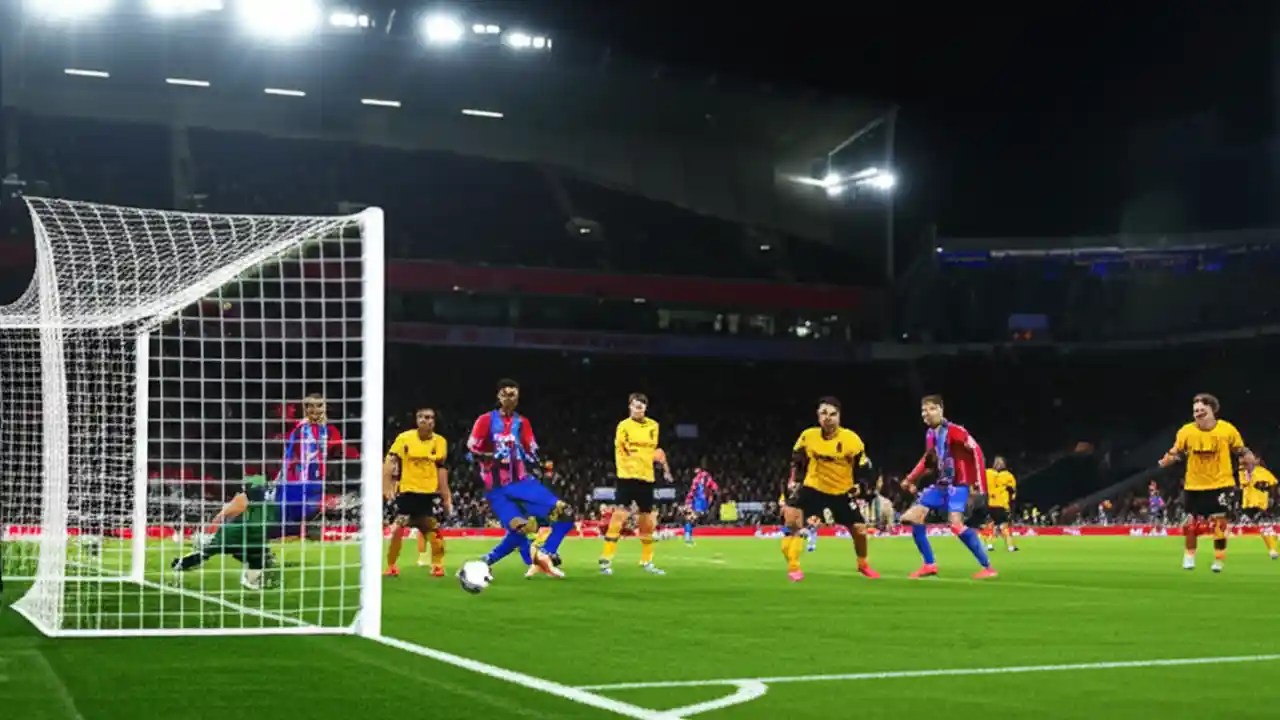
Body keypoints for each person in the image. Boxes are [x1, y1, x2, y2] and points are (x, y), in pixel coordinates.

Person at [468, 378, 573, 579]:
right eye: (505, 394)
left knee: (566, 513)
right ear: (498, 396)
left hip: (523, 482)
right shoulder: (485, 421)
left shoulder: (522, 423)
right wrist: (491, 456)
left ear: (518, 397)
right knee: (521, 528)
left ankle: (546, 552)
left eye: (513, 394)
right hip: (497, 486)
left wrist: (540, 463)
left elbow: (531, 449)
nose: (509, 398)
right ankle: (489, 561)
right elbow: (471, 450)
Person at [781, 396, 880, 582]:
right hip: (813, 487)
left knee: (859, 530)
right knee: (793, 521)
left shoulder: (851, 440)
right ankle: (793, 567)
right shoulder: (808, 436)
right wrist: (793, 481)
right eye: (823, 413)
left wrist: (862, 487)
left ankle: (863, 564)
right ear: (818, 416)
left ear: (839, 417)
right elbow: (796, 460)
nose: (828, 418)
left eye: (833, 414)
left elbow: (866, 468)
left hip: (841, 491)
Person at [901, 395, 997, 580]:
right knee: (912, 517)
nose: (926, 414)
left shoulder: (955, 431)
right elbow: (928, 460)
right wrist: (910, 478)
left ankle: (987, 567)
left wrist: (979, 485)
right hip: (942, 485)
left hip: (959, 485)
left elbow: (976, 451)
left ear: (940, 410)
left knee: (955, 524)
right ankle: (929, 565)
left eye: (931, 409)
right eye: (923, 410)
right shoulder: (930, 435)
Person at [1158, 393, 1250, 573]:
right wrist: (1167, 459)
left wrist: (1247, 457)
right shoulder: (1186, 431)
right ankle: (1189, 556)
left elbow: (1240, 448)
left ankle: (1219, 559)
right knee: (1191, 524)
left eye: (1202, 410)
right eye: (1195, 410)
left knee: (1220, 524)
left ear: (1212, 410)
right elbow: (1175, 451)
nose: (1198, 413)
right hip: (1194, 484)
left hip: (1221, 483)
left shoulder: (1227, 429)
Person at [600, 393, 673, 575]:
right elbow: (624, 448)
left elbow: (652, 449)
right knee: (619, 517)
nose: (637, 409)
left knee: (646, 522)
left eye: (640, 407)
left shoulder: (653, 426)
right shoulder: (623, 426)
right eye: (634, 406)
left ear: (645, 408)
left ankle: (647, 561)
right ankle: (606, 560)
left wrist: (662, 465)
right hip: (627, 476)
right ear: (629, 407)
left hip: (646, 477)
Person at [170, 474, 280, 590]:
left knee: (207, 552)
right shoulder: (263, 504)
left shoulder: (249, 501)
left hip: (235, 536)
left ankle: (181, 563)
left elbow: (224, 515)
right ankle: (251, 579)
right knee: (256, 558)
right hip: (238, 536)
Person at [383, 408, 452, 578]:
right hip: (408, 491)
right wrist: (386, 485)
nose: (424, 420)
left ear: (434, 422)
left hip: (428, 493)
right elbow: (390, 460)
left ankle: (437, 565)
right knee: (399, 527)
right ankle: (391, 565)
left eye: (428, 417)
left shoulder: (440, 442)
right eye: (420, 417)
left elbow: (441, 469)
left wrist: (446, 496)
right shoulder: (404, 438)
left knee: (432, 529)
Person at [1238, 453, 1278, 559]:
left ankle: (1272, 549)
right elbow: (1244, 485)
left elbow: (1273, 484)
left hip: (1261, 503)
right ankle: (1274, 538)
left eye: (1249, 457)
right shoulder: (1242, 472)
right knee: (1256, 526)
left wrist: (1272, 498)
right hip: (1247, 504)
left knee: (1263, 526)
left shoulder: (1263, 472)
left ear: (1256, 460)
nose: (1245, 459)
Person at [983, 456, 1019, 552]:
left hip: (991, 503)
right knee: (1004, 526)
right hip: (1002, 504)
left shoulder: (988, 473)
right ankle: (1010, 546)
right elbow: (1013, 491)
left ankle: (989, 545)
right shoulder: (1008, 475)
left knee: (993, 525)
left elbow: (982, 486)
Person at [683, 466, 719, 546]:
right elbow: (712, 485)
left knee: (693, 518)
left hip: (700, 501)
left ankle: (688, 534)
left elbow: (711, 485)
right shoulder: (699, 479)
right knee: (693, 517)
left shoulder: (700, 478)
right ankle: (688, 535)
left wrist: (688, 500)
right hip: (699, 501)